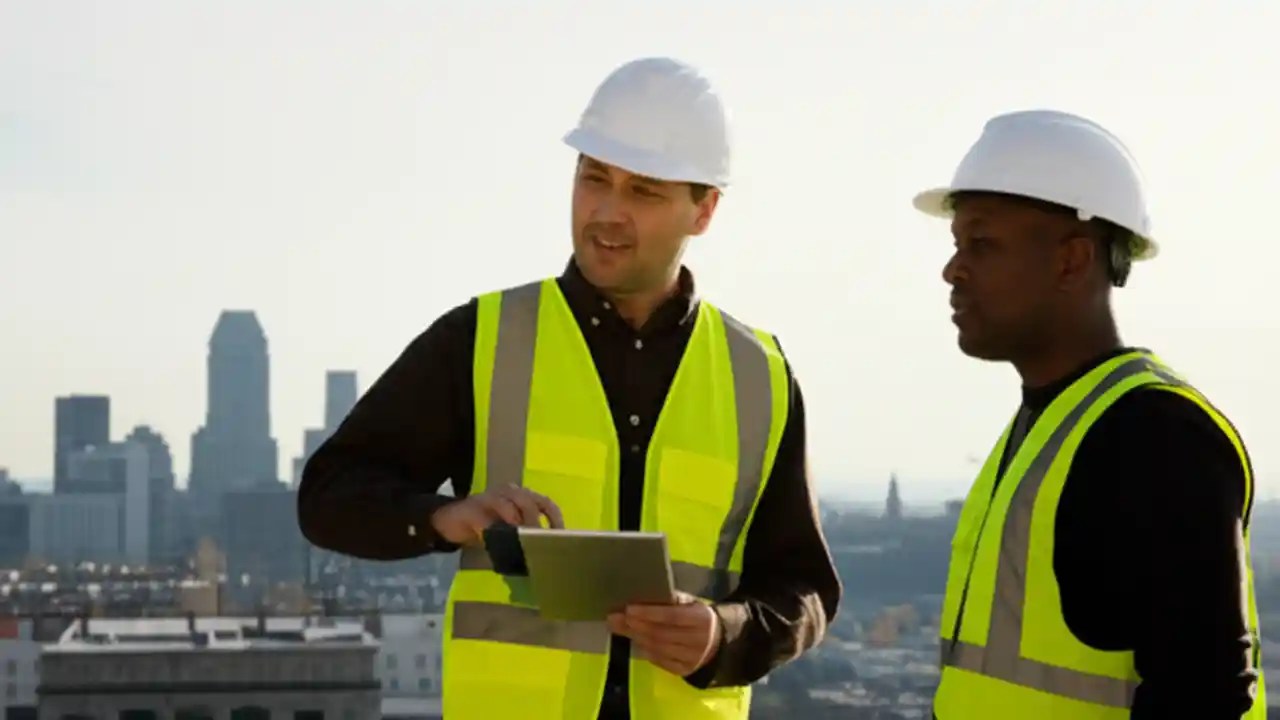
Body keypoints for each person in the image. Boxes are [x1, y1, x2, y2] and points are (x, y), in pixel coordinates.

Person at [297, 56, 840, 720]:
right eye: (594, 179)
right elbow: (329, 496)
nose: (607, 213)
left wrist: (725, 634)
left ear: (704, 211)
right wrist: (440, 517)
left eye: (643, 191)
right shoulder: (483, 340)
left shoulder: (759, 375)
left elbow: (804, 588)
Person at [913, 109, 1267, 719]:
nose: (953, 269)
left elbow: (1205, 695)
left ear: (1072, 261)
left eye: (982, 243)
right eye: (956, 244)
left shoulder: (1156, 437)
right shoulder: (1052, 428)